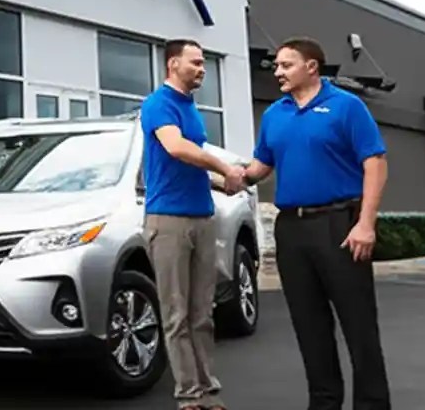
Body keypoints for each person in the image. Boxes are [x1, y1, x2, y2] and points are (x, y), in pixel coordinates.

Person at [241, 36, 391, 410]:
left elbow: (375, 163)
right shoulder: (275, 114)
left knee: (359, 326)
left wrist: (366, 223)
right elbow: (261, 166)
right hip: (291, 228)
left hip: (340, 224)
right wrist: (229, 176)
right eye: (276, 66)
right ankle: (324, 403)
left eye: (285, 65)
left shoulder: (346, 107)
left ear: (312, 67)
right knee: (310, 327)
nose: (277, 71)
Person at [140, 38, 246, 410]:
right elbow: (177, 149)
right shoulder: (158, 105)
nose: (202, 69)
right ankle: (189, 398)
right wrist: (224, 167)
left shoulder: (191, 108)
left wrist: (227, 183)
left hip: (202, 218)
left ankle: (208, 392)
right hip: (168, 221)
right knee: (177, 314)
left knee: (203, 313)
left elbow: (190, 167)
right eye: (196, 62)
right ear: (173, 65)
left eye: (203, 63)